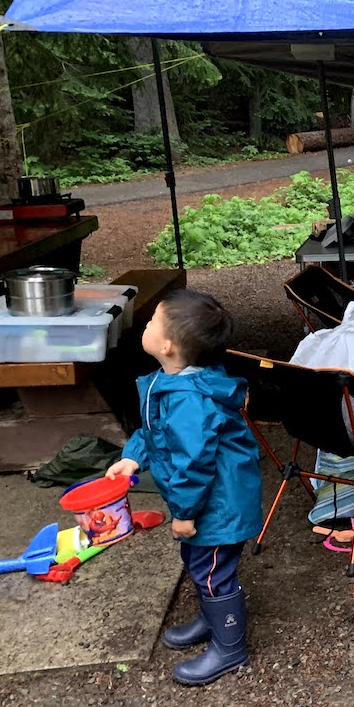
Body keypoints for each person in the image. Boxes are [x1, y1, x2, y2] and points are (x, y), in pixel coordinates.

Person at [104, 289, 263, 686]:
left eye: (152, 322)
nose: (145, 325)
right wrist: (133, 457)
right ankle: (211, 620)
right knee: (199, 563)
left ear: (168, 346)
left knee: (213, 572)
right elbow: (155, 431)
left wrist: (185, 514)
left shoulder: (190, 402)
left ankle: (230, 647)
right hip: (207, 501)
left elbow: (193, 464)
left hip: (216, 506)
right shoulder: (172, 382)